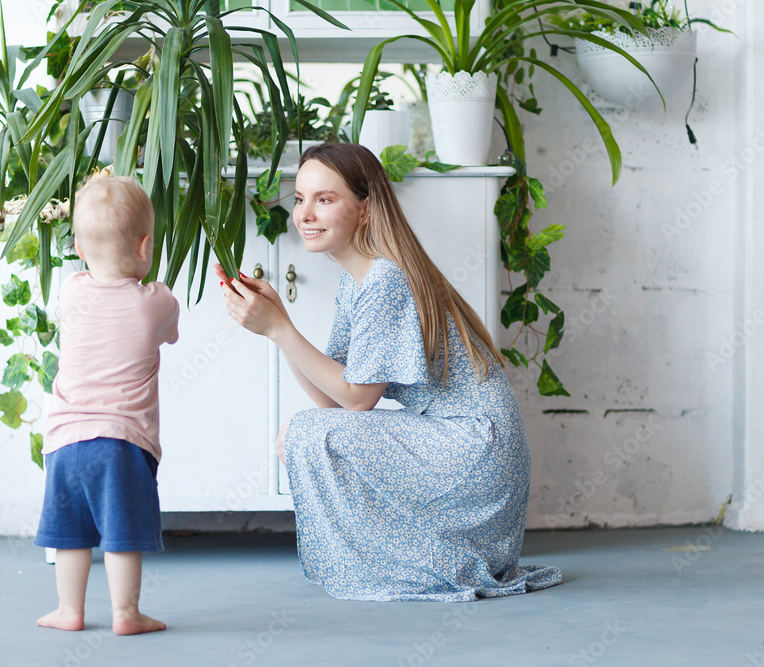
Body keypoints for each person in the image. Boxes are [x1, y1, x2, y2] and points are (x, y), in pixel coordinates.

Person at [217, 143, 562, 602]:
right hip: (466, 443)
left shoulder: (385, 279)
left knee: (305, 433)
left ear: (365, 208)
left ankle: (407, 559)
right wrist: (279, 325)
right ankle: (406, 553)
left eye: (325, 199)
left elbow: (359, 400)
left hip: (475, 450)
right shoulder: (358, 279)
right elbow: (335, 401)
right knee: (308, 430)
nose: (304, 213)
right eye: (300, 199)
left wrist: (281, 331)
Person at [35, 176, 179, 633]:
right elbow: (169, 333)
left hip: (65, 442)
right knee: (121, 534)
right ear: (146, 246)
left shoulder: (72, 293)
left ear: (78, 245)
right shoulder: (156, 303)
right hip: (121, 443)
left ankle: (69, 611)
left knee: (70, 533)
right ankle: (126, 614)